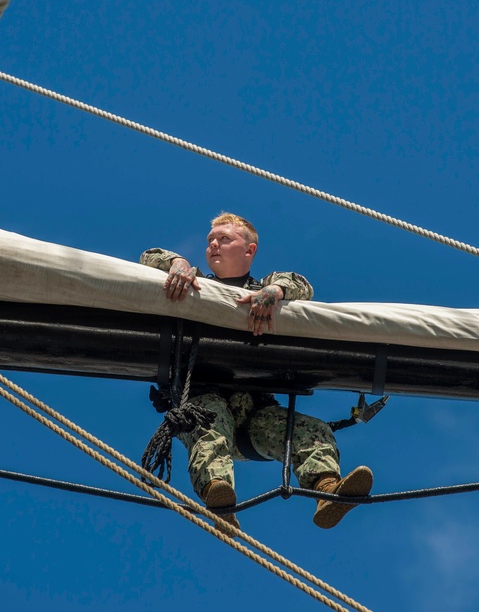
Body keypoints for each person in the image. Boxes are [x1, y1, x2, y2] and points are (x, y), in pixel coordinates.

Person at [139, 212, 372, 530]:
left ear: (249, 251)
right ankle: (219, 499)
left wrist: (273, 293)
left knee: (311, 431)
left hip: (254, 420)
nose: (214, 245)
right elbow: (148, 256)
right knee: (212, 420)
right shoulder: (196, 285)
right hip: (204, 403)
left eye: (225, 239)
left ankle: (328, 491)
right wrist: (176, 262)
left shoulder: (264, 288)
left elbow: (301, 284)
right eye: (210, 241)